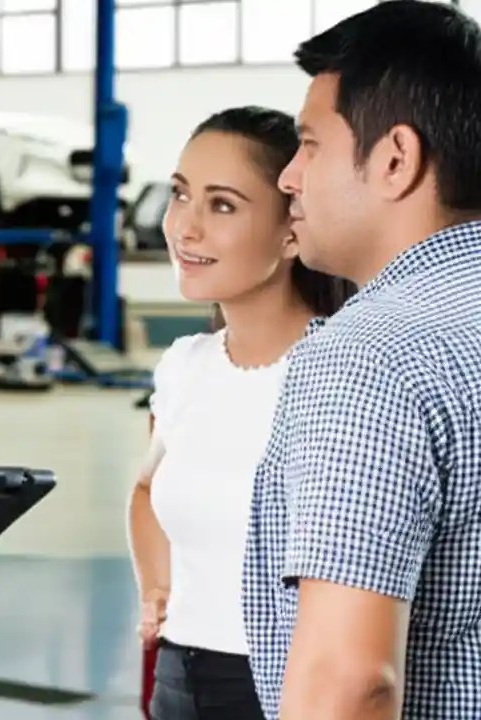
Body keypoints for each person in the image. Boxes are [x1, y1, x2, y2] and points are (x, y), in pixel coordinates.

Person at [240, 2, 481, 719]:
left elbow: (349, 682)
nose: (288, 177)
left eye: (309, 145)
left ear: (395, 160)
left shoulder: (370, 357)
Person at [128, 106, 354, 720]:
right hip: (180, 678)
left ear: (291, 232)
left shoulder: (342, 371)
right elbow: (148, 491)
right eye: (181, 194)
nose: (186, 228)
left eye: (222, 205)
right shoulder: (185, 365)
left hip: (285, 687)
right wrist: (158, 588)